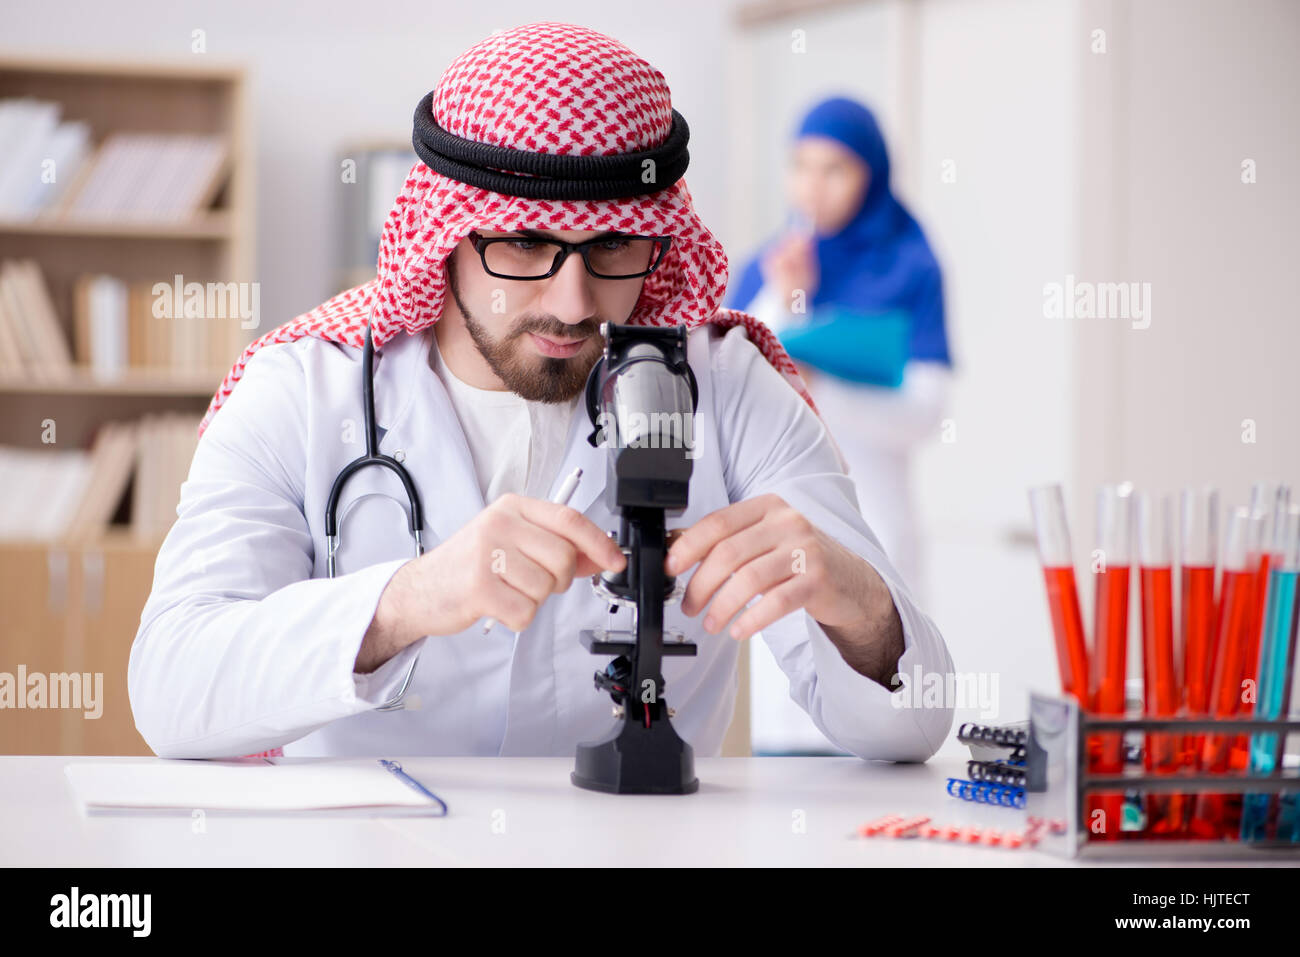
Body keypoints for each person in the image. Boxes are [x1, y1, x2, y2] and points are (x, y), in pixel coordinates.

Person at [127, 23, 953, 762]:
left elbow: (916, 720)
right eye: (524, 244)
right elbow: (172, 690)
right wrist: (408, 599)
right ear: (448, 235)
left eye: (615, 246)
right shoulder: (302, 388)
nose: (574, 302)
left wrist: (860, 605)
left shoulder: (730, 386)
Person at [728, 96, 953, 602]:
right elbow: (731, 385)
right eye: (800, 166)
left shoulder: (913, 267)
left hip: (875, 515)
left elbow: (927, 414)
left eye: (834, 170)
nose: (812, 187)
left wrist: (818, 388)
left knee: (880, 665)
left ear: (871, 173)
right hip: (776, 523)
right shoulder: (768, 266)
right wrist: (785, 300)